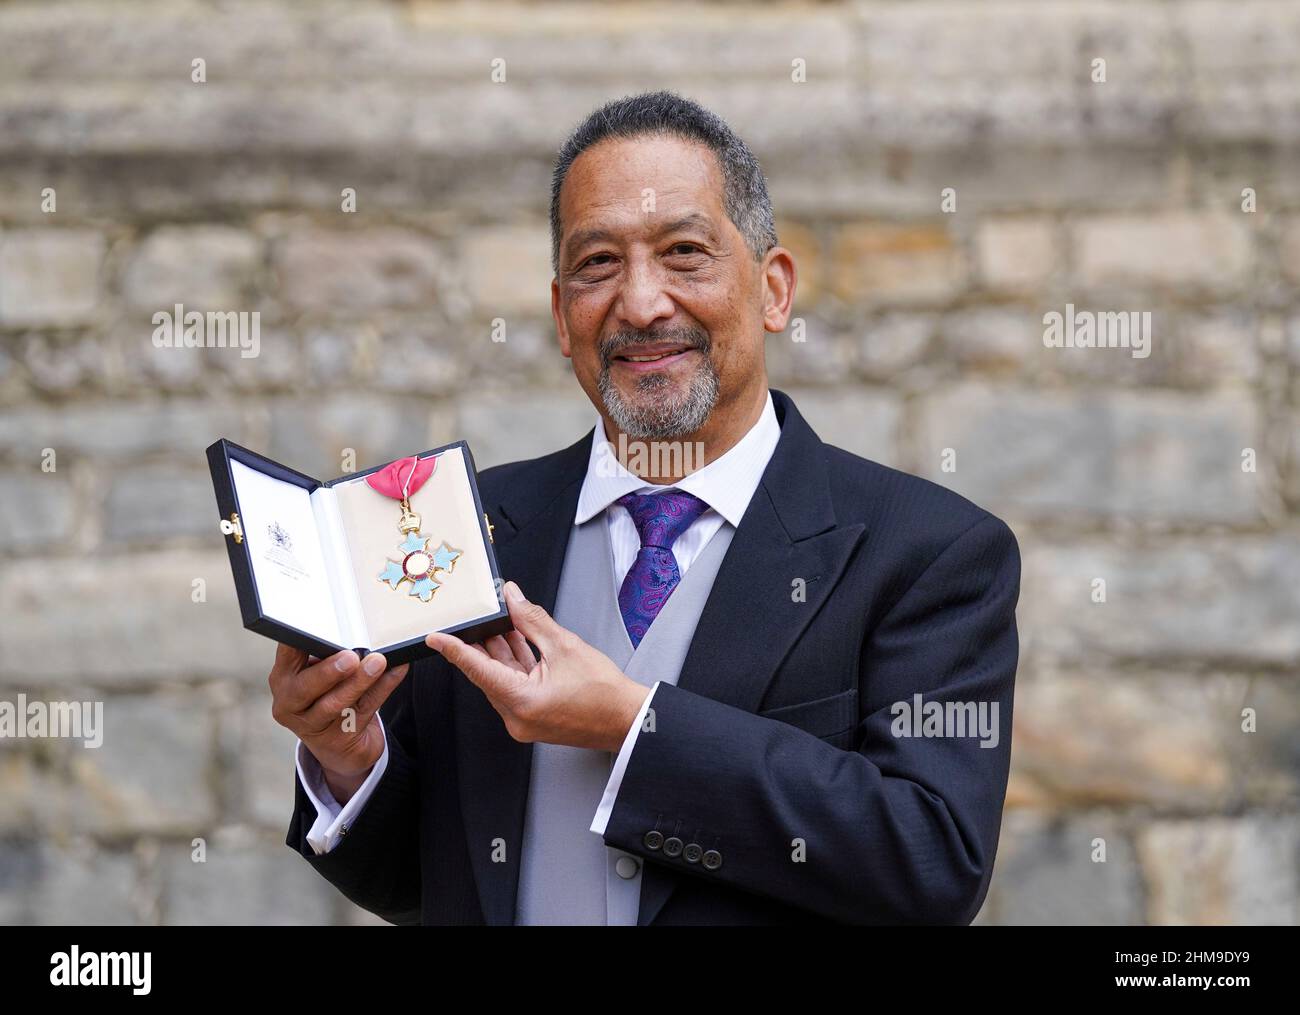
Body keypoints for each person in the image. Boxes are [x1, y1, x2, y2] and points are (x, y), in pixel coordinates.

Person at [268, 91, 1021, 925]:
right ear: (561, 315)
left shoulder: (931, 553)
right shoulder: (461, 526)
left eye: (685, 252)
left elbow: (932, 860)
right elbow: (430, 875)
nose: (642, 303)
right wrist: (347, 758)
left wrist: (637, 726)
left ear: (773, 290)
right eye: (597, 264)